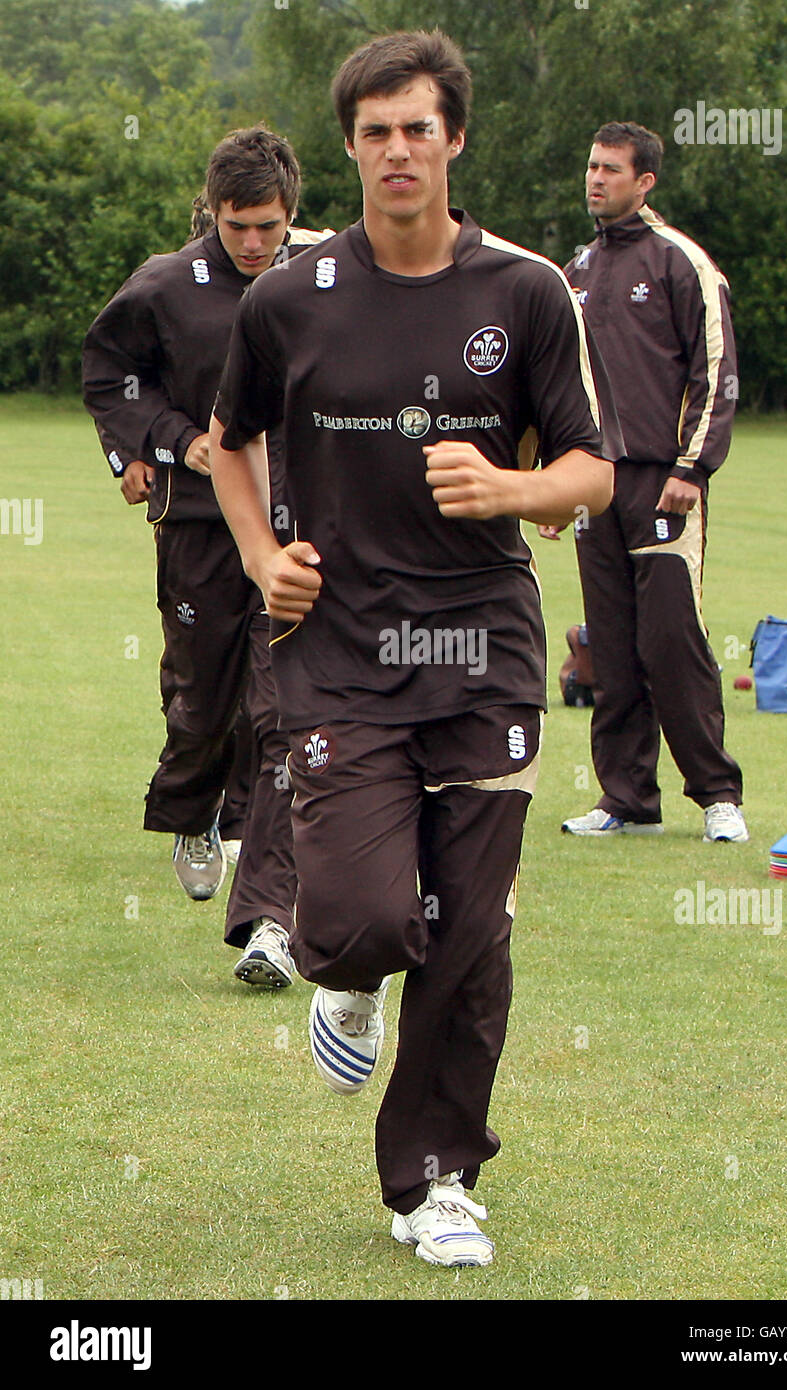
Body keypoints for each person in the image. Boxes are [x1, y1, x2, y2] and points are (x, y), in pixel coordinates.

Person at [209, 30, 617, 1267]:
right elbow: (230, 440)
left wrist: (506, 488)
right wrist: (254, 556)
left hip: (484, 650)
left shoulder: (527, 292)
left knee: (475, 928)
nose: (399, 148)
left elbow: (595, 474)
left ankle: (436, 1178)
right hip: (335, 648)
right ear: (350, 146)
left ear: (455, 140)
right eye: (376, 130)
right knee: (364, 909)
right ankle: (346, 970)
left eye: (419, 127)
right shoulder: (289, 295)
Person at [82, 127, 328, 989]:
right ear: (212, 213)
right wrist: (159, 444)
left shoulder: (328, 277)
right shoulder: (163, 283)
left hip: (298, 536)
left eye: (268, 225)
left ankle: (268, 920)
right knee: (200, 708)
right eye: (237, 227)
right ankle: (194, 810)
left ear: (291, 212)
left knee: (284, 719)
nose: (255, 243)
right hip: (196, 527)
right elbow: (109, 371)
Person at [559, 122, 748, 844]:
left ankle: (717, 795)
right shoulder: (575, 271)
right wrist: (555, 479)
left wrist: (691, 468)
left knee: (671, 639)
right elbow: (557, 385)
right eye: (591, 164)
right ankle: (625, 798)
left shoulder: (683, 263)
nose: (595, 178)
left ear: (646, 182)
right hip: (594, 486)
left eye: (610, 168)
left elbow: (717, 373)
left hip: (663, 483)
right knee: (609, 645)